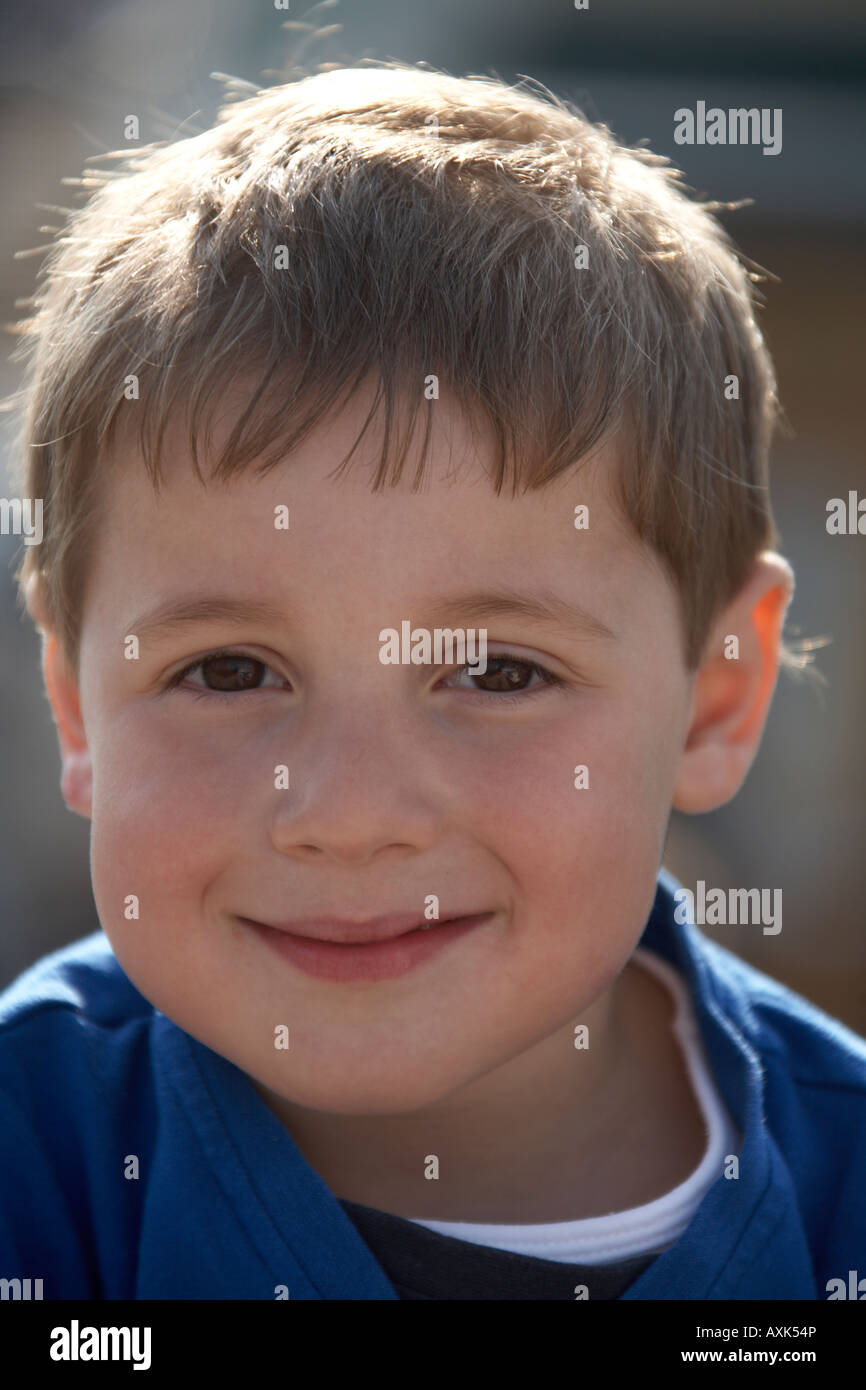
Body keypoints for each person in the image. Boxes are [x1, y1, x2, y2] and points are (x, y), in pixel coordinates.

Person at [1, 62, 863, 1300]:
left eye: (498, 671)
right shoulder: (40, 1167)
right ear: (76, 706)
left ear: (716, 694)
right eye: (229, 670)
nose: (348, 813)